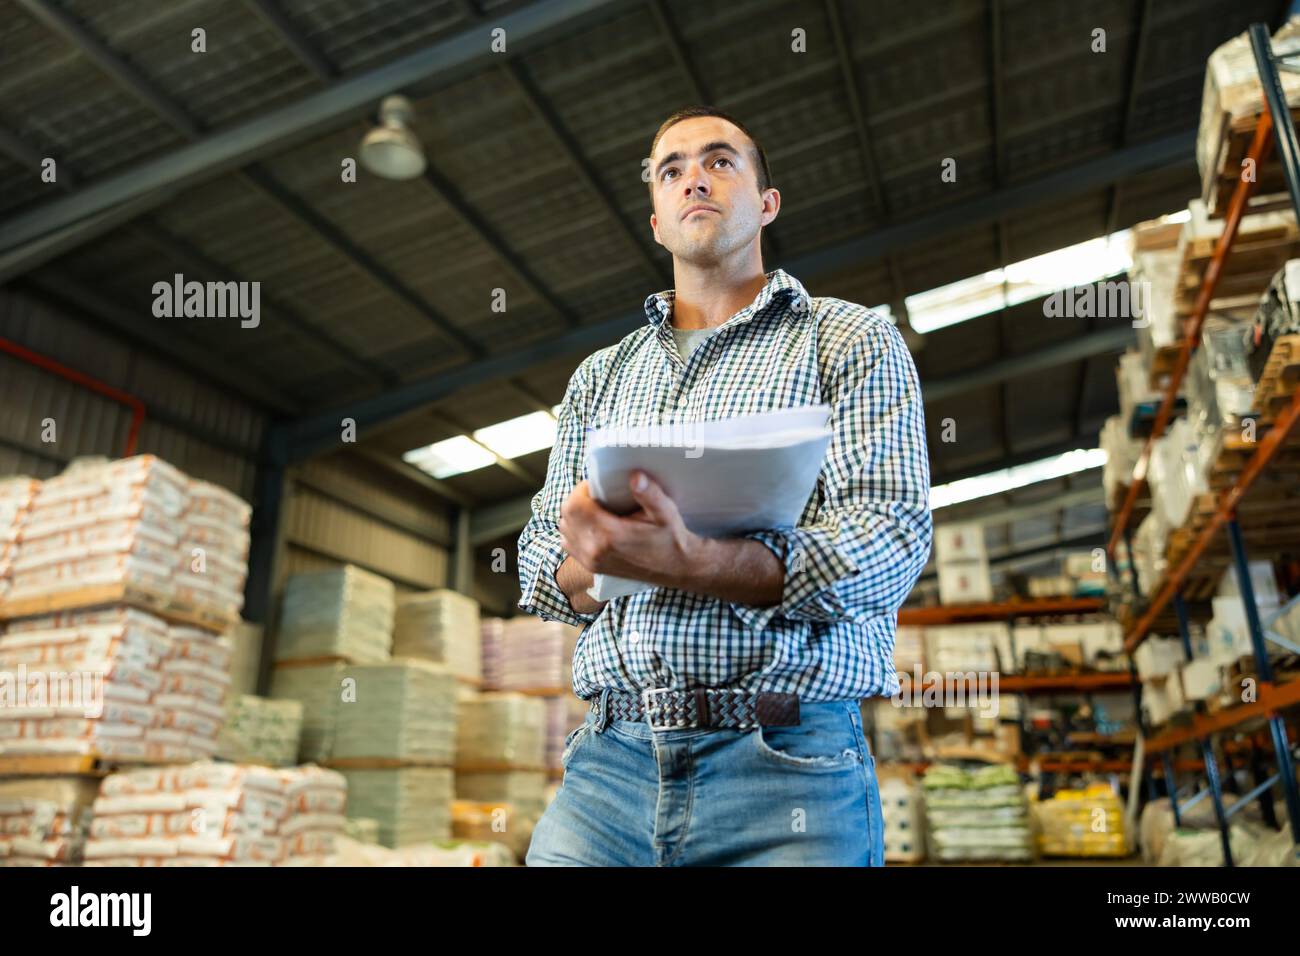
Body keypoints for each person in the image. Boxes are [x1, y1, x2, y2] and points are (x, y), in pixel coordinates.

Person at [517, 106, 932, 866]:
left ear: (767, 203)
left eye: (719, 161)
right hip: (609, 770)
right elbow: (540, 565)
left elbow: (888, 541)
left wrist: (689, 562)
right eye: (670, 170)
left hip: (786, 769)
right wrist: (599, 555)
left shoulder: (849, 340)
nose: (693, 179)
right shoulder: (599, 379)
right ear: (655, 221)